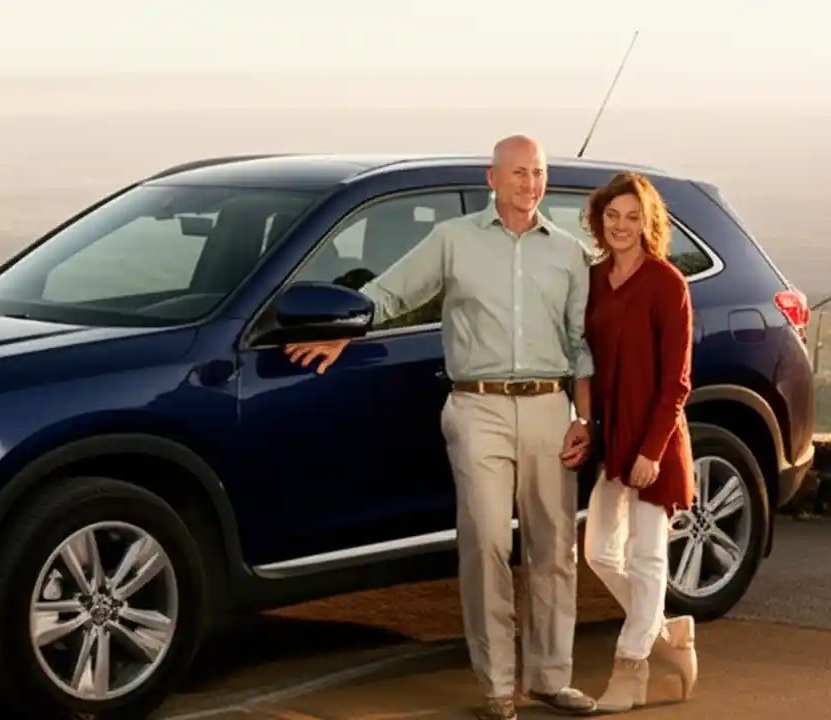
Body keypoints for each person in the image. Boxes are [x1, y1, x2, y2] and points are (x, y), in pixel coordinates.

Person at [286, 135, 598, 720]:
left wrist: (584, 417)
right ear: (492, 178)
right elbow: (390, 292)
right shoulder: (452, 241)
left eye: (538, 173)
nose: (530, 184)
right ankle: (499, 688)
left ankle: (553, 679)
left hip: (549, 409)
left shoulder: (570, 253)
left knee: (554, 547)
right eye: (518, 173)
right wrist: (339, 330)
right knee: (484, 545)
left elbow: (582, 344)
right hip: (476, 407)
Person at [580, 171, 699, 712]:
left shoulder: (666, 282)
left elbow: (677, 380)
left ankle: (631, 671)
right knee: (600, 552)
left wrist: (652, 450)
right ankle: (666, 631)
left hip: (656, 442)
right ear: (599, 220)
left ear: (648, 222)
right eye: (612, 216)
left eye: (632, 217)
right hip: (613, 439)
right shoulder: (595, 279)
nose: (621, 226)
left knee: (648, 558)